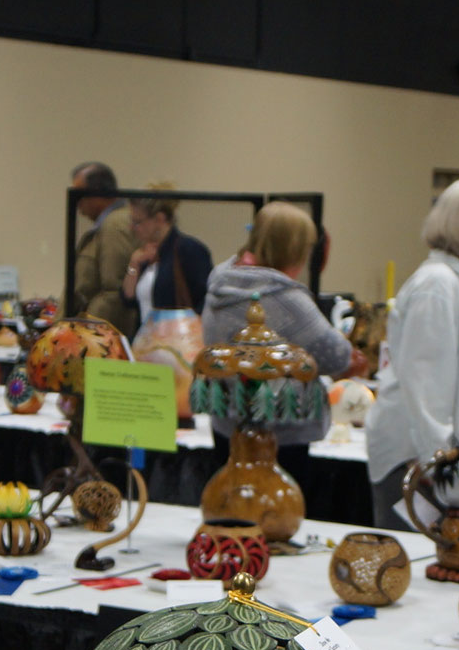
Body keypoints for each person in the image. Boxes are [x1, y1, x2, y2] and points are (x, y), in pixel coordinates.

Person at [364, 178, 459, 528]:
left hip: (441, 457)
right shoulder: (438, 285)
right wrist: (439, 464)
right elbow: (425, 385)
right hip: (417, 460)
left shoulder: (458, 282)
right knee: (417, 564)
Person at [203, 202, 363, 474]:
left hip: (225, 425)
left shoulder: (221, 282)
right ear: (297, 250)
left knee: (232, 505)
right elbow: (339, 358)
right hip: (279, 435)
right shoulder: (288, 301)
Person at [121, 188, 213, 320]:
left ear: (159, 219)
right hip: (148, 336)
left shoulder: (189, 250)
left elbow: (206, 300)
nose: (132, 227)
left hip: (178, 335)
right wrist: (134, 265)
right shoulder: (145, 254)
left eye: (137, 222)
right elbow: (128, 299)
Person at [70, 162, 137, 335]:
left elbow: (114, 293)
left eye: (80, 195)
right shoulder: (107, 225)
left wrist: (84, 334)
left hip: (99, 339)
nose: (77, 204)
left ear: (97, 192)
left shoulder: (115, 225)